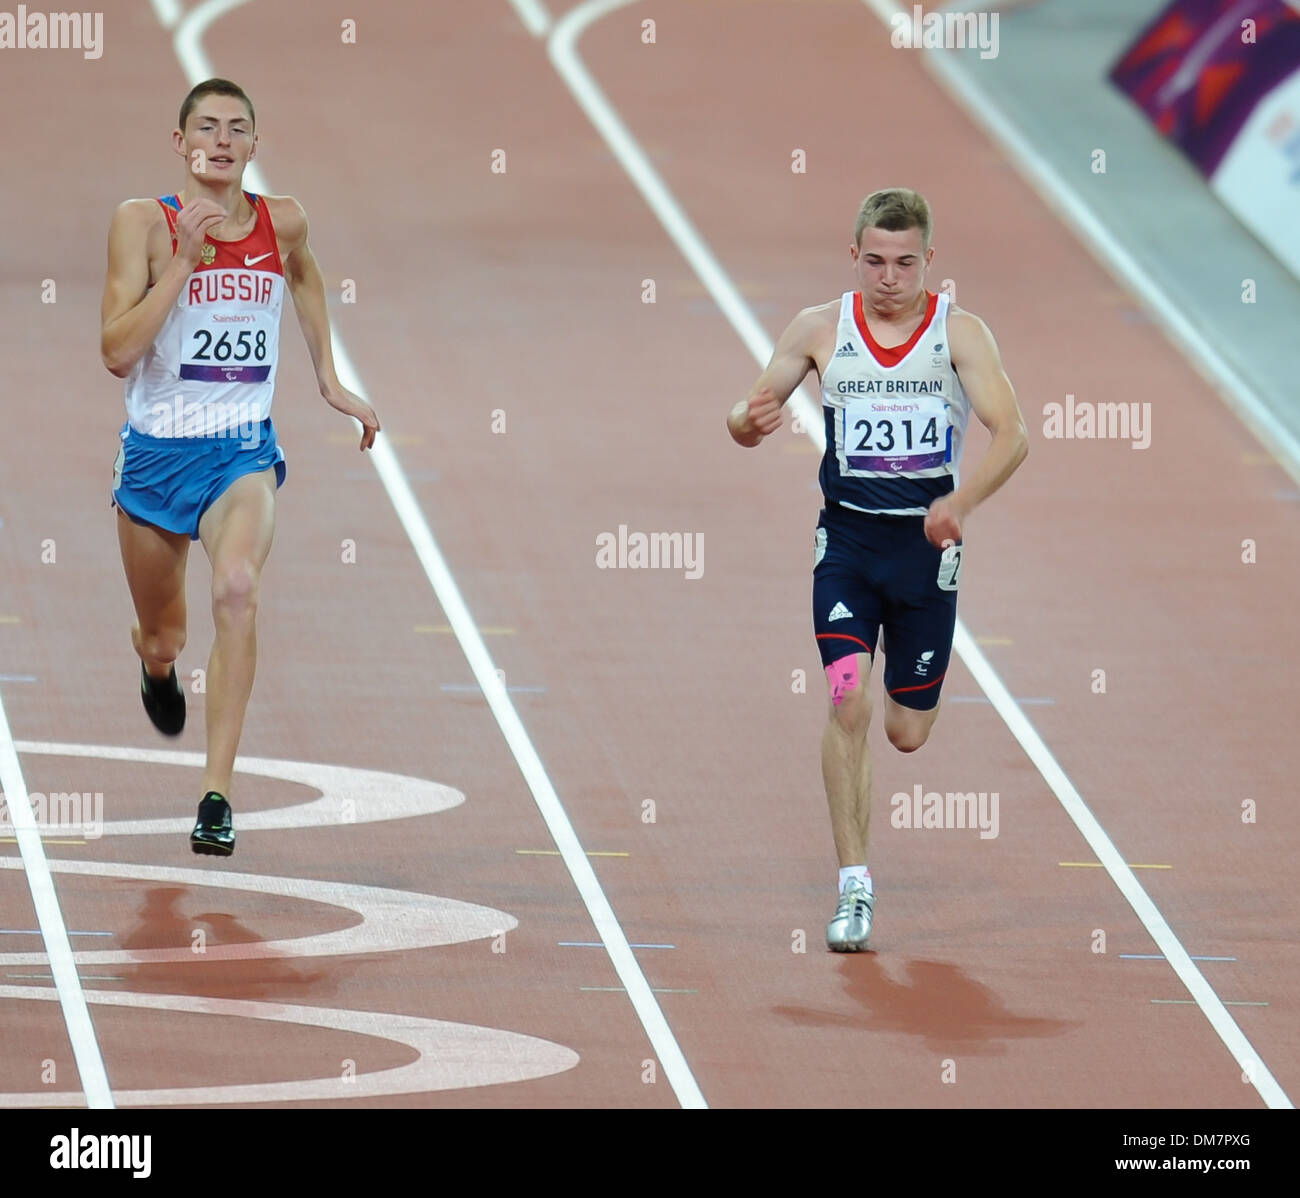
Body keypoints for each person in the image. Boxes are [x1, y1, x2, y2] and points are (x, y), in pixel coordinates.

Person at [727, 188, 1028, 951]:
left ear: (930, 261)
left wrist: (962, 501)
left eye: (904, 262)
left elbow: (1014, 435)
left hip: (927, 556)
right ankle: (854, 887)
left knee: (905, 732)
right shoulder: (819, 329)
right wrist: (746, 422)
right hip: (849, 551)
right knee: (848, 701)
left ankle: (912, 684)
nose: (888, 277)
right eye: (874, 261)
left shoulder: (960, 335)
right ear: (852, 254)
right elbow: (745, 416)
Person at [100, 78, 380, 856]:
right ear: (181, 143)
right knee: (166, 636)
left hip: (241, 454)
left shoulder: (281, 221)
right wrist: (185, 264)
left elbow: (305, 276)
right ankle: (154, 665)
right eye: (207, 128)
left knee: (237, 586)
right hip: (156, 460)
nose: (222, 141)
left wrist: (328, 377)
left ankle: (216, 794)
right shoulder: (144, 226)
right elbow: (117, 352)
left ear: (255, 144)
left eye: (238, 129)